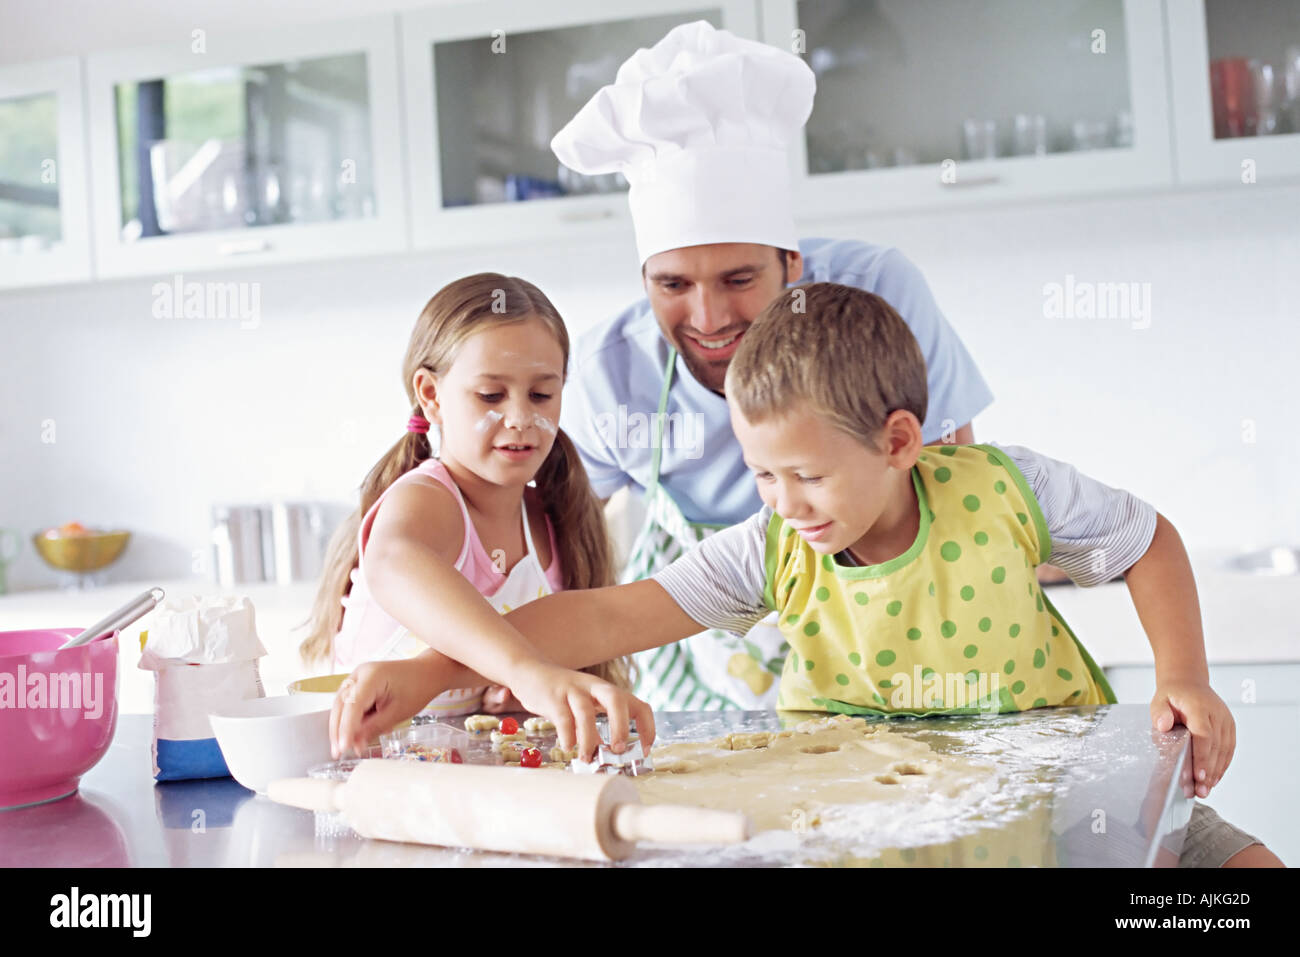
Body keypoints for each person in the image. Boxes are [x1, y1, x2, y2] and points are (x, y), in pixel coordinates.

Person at [331, 282, 1282, 867]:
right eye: (761, 475)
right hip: (860, 826)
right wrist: (423, 674)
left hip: (1064, 790)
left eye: (807, 475)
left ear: (900, 440)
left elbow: (1146, 540)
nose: (783, 501)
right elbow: (612, 616)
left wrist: (1184, 676)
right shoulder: (774, 544)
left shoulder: (1010, 489)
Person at [549, 20, 996, 711]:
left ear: (793, 264)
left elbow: (953, 489)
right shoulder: (612, 375)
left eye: (737, 279)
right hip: (697, 688)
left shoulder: (875, 294)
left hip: (894, 653)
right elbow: (562, 552)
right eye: (672, 285)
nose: (707, 317)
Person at [300, 272, 652, 757]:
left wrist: (513, 697)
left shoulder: (552, 519)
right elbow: (394, 561)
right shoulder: (429, 501)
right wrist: (525, 669)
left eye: (542, 395)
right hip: (373, 781)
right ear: (431, 394)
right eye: (491, 396)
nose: (521, 419)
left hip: (479, 795)